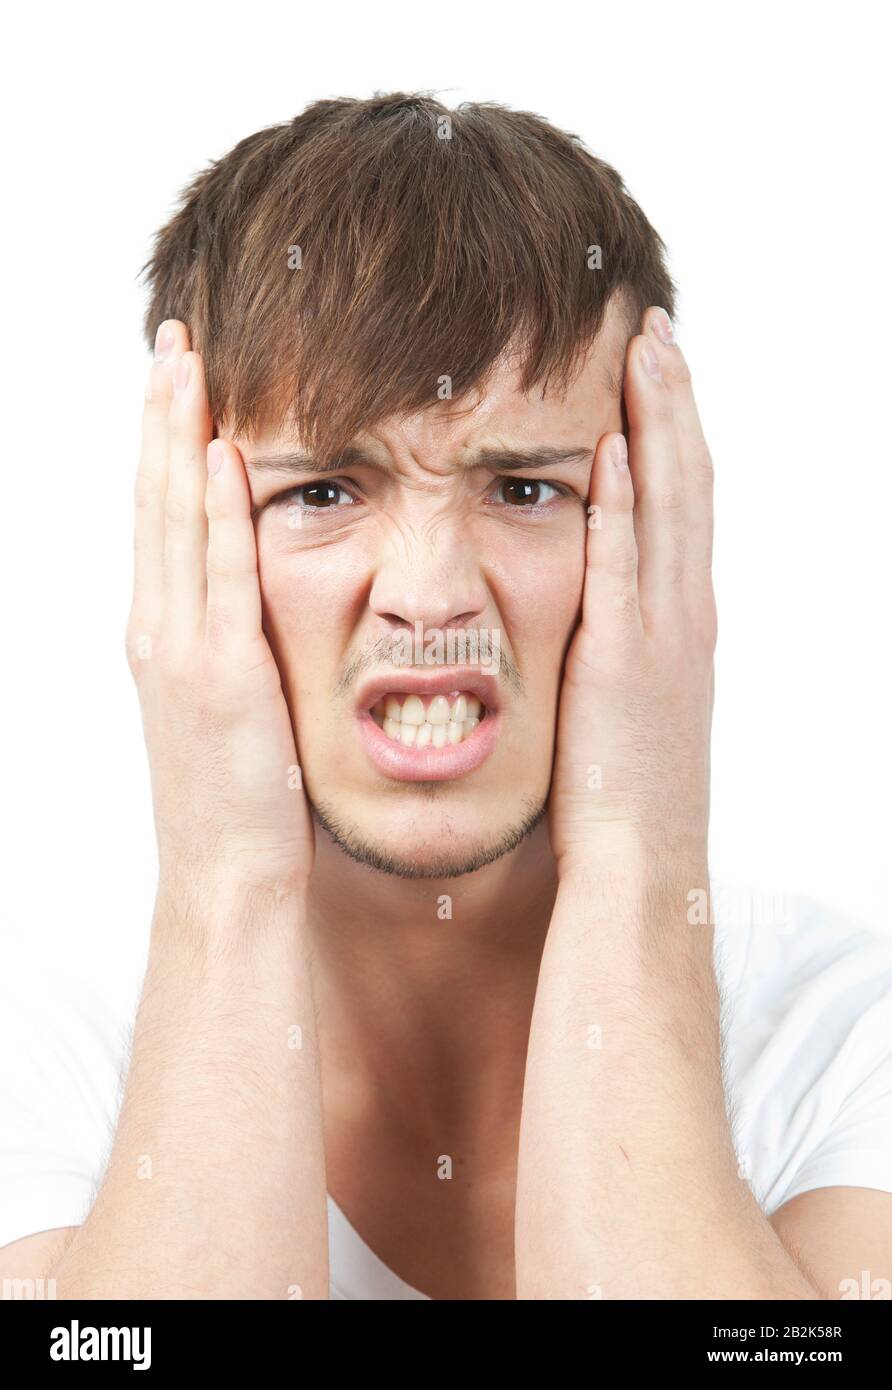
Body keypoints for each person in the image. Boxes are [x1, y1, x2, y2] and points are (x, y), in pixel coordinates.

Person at [2, 92, 891, 1301]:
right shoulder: (47, 1065)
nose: (428, 597)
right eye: (320, 490)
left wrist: (636, 845)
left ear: (660, 517)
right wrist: (225, 879)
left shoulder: (847, 1041)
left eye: (524, 488)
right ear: (184, 536)